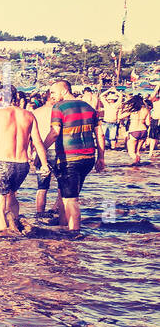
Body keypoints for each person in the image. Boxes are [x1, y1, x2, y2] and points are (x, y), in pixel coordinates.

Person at [45, 79, 105, 233]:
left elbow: (54, 133)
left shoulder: (59, 107)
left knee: (71, 199)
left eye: (53, 92)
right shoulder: (89, 108)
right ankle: (63, 227)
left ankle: (74, 233)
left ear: (64, 90)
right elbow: (100, 133)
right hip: (88, 158)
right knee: (67, 195)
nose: (51, 96)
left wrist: (40, 151)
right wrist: (101, 157)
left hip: (70, 158)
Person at [0, 89, 49, 234]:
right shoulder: (29, 115)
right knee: (12, 195)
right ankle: (14, 224)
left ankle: (4, 234)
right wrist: (45, 164)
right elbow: (38, 141)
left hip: (3, 162)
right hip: (22, 165)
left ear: (1, 97)